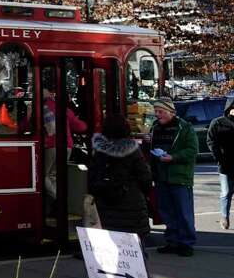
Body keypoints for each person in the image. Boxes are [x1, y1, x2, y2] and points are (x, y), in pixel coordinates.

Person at [89, 112, 152, 239]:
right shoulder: (133, 150)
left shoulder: (100, 150)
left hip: (106, 207)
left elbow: (92, 178)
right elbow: (145, 178)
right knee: (136, 251)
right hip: (132, 206)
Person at [149, 98, 198, 256]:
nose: (157, 115)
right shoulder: (155, 127)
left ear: (171, 111)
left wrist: (173, 157)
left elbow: (192, 151)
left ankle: (186, 243)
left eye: (161, 111)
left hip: (180, 177)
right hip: (161, 177)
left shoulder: (184, 127)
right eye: (156, 111)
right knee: (167, 211)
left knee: (183, 212)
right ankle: (172, 241)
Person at [206, 101, 234, 230]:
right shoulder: (218, 122)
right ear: (229, 109)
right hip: (226, 165)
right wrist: (219, 157)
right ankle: (224, 217)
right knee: (226, 192)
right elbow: (211, 141)